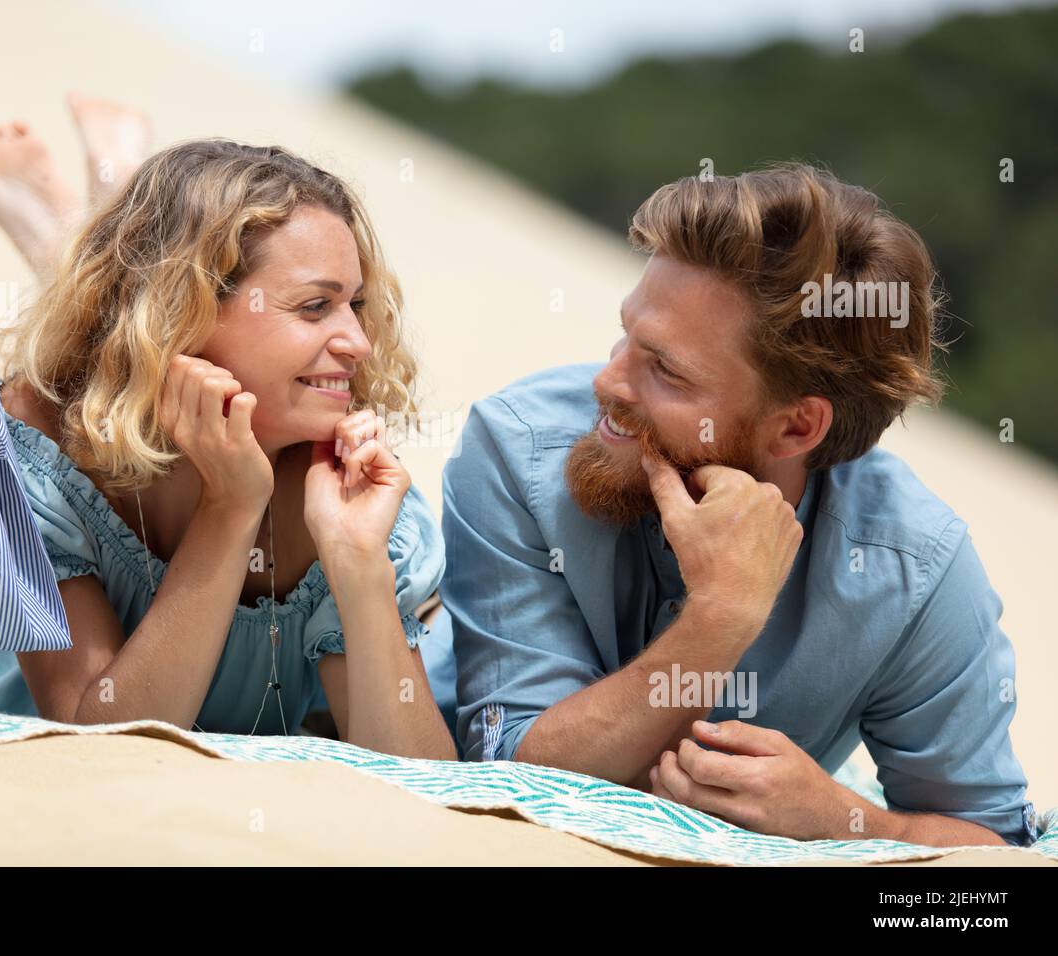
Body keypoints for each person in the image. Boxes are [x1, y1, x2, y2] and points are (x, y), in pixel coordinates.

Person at [438, 163, 1037, 846]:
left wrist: (845, 823)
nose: (608, 381)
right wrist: (721, 619)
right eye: (626, 335)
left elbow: (996, 856)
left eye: (664, 370)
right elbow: (511, 776)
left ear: (795, 428)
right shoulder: (517, 451)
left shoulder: (915, 571)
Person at [0, 95, 456, 760]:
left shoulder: (343, 488)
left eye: (356, 305)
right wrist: (231, 506)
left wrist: (360, 567)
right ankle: (84, 208)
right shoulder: (40, 449)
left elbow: (424, 785)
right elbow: (98, 744)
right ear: (182, 314)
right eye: (315, 307)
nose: (358, 342)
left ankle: (89, 204)